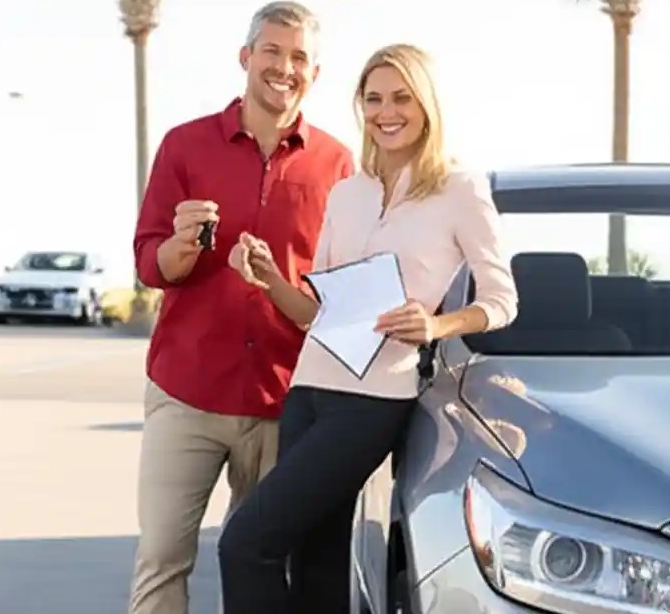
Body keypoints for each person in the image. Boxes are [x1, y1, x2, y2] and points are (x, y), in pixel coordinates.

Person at [216, 43, 519, 613]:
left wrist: (436, 324)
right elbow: (319, 311)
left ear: (426, 103)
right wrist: (270, 280)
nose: (387, 111)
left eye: (401, 97)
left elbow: (502, 300)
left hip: (372, 401)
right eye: (374, 98)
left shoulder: (460, 189)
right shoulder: (347, 193)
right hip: (307, 392)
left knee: (246, 543)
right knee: (315, 554)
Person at [128, 0, 355, 614]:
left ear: (315, 72)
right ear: (246, 58)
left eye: (299, 57)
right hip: (187, 393)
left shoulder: (337, 165)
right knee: (161, 561)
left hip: (286, 403)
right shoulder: (185, 146)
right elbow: (149, 264)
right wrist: (179, 246)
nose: (285, 67)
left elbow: (341, 286)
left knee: (260, 562)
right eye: (273, 52)